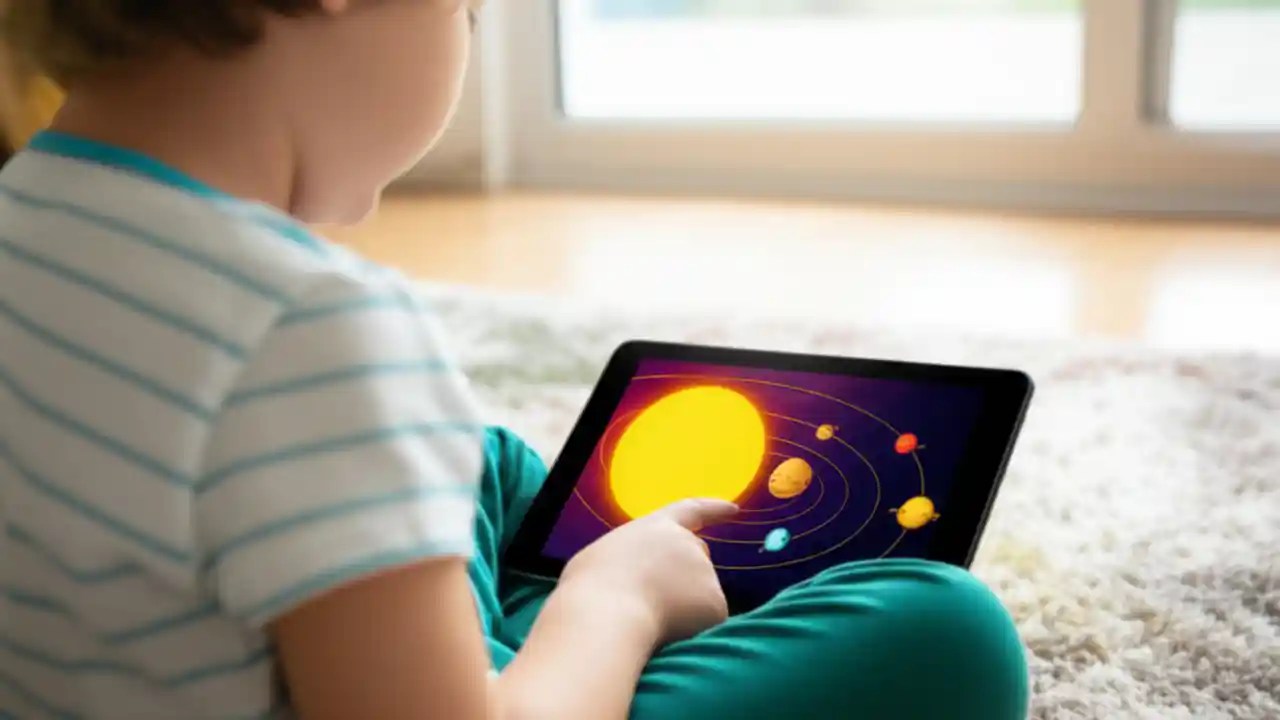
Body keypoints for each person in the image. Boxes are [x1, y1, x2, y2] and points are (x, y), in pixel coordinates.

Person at [0, 1, 1030, 718]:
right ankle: (586, 634)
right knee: (941, 628)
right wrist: (608, 604)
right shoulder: (304, 326)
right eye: (469, 12)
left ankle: (562, 627)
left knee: (476, 455)